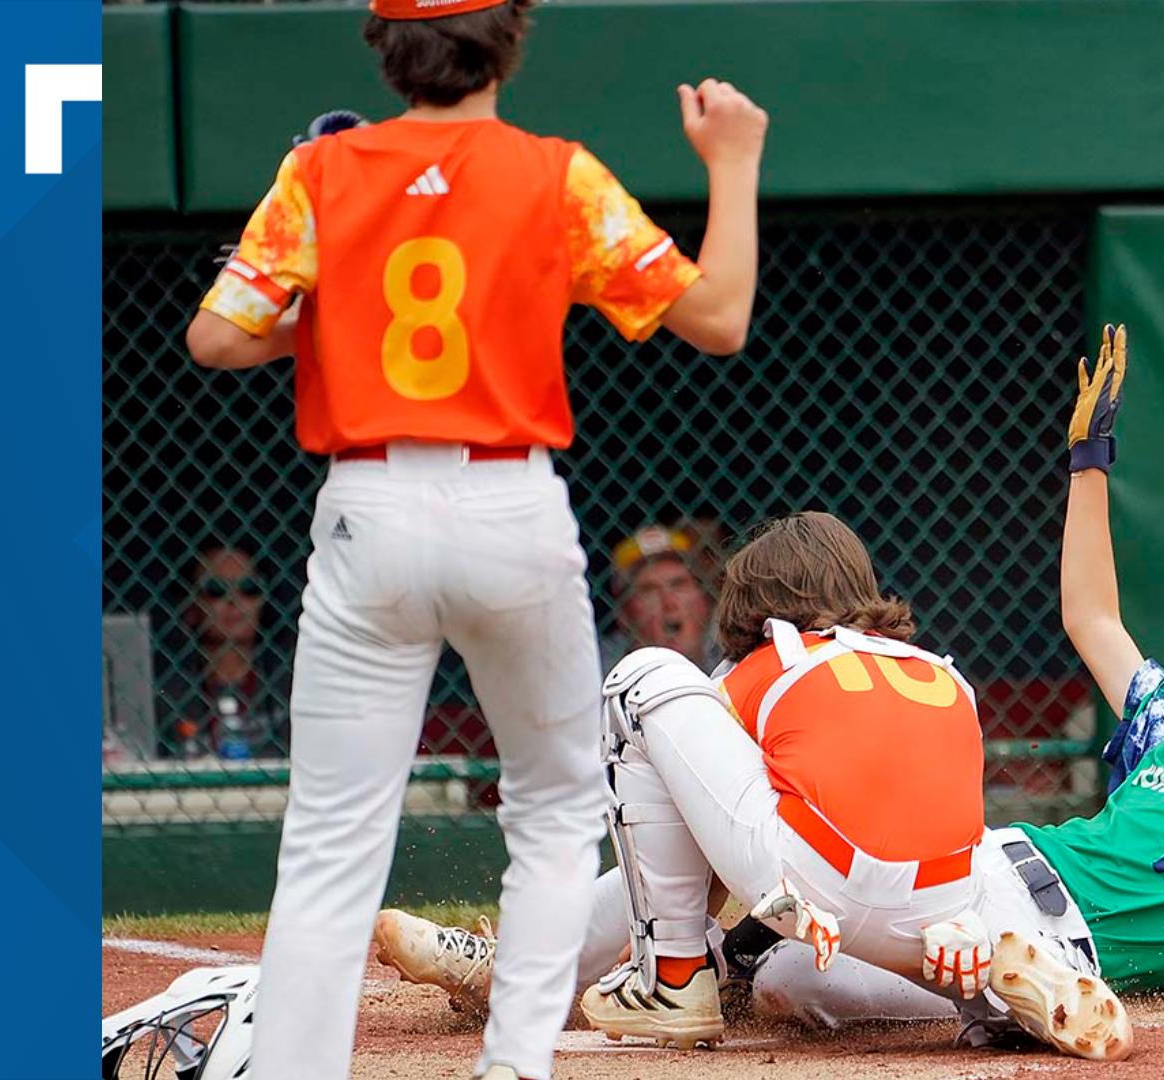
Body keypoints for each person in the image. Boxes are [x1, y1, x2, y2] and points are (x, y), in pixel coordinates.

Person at [372, 331, 1164, 1061]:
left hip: (1067, 937)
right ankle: (522, 961)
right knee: (747, 879)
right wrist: (1087, 470)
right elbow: (1092, 620)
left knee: (788, 975)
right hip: (982, 871)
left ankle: (981, 987)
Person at [182, 0, 768, 1076]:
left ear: (386, 47)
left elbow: (218, 337)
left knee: (329, 842)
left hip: (366, 508)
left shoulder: (320, 174)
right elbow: (721, 316)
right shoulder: (557, 175)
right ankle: (512, 1066)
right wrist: (732, 159)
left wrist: (336, 305)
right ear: (509, 39)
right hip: (509, 506)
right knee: (551, 809)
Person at [374, 511, 1022, 1048]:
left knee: (645, 688)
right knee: (782, 980)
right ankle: (1003, 988)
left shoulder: (782, 663)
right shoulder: (941, 673)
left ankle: (645, 973)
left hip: (818, 892)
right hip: (948, 916)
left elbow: (694, 826)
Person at [159, 543, 289, 760]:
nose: (233, 600)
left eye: (249, 588)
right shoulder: (166, 696)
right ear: (191, 606)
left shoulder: (291, 683)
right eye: (216, 589)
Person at [599, 523, 722, 676]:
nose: (669, 603)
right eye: (649, 590)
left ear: (704, 601)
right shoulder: (598, 675)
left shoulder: (732, 661)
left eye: (679, 585)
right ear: (623, 614)